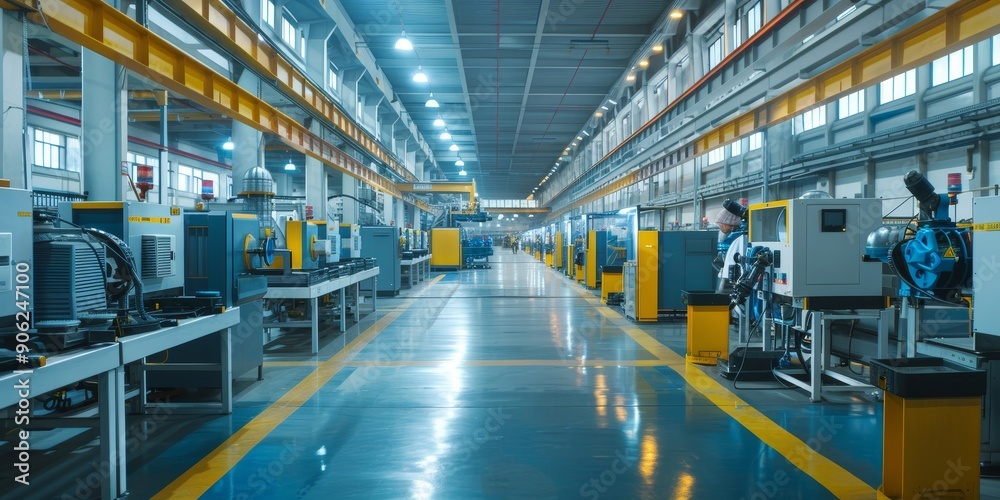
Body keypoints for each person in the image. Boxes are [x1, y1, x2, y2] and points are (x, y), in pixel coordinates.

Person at [715, 206, 746, 292]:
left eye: (723, 224)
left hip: (735, 276)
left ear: (732, 226)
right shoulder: (727, 237)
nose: (720, 226)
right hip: (726, 273)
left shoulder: (739, 238)